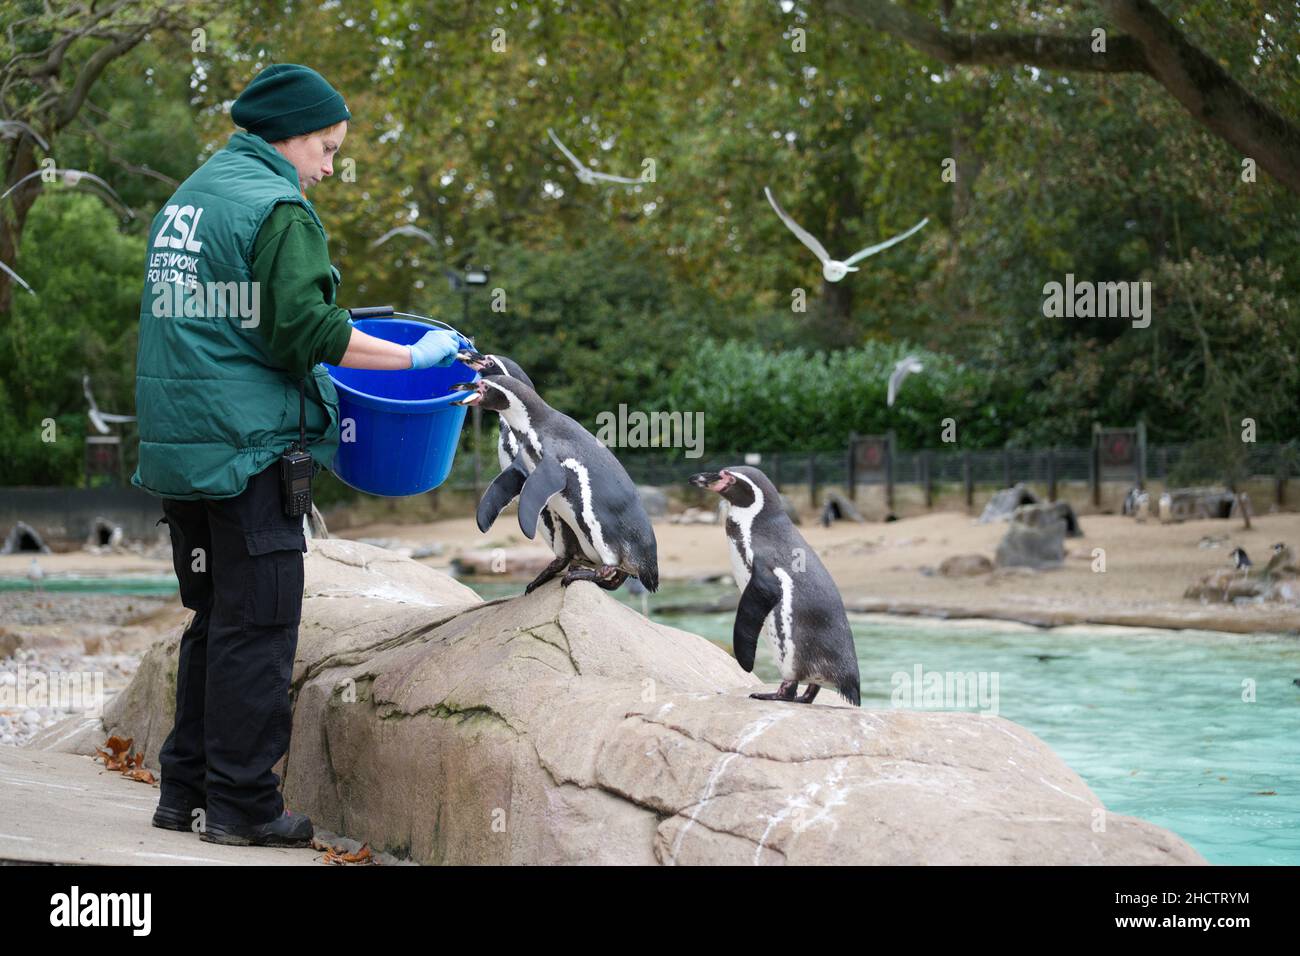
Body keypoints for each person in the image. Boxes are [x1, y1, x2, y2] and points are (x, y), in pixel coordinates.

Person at [133, 64, 456, 848]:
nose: (330, 166)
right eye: (327, 147)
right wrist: (417, 361)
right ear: (289, 136)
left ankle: (186, 793)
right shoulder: (279, 208)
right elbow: (307, 332)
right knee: (261, 626)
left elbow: (230, 317)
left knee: (215, 618)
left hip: (183, 450)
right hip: (248, 454)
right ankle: (243, 807)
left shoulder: (192, 196)